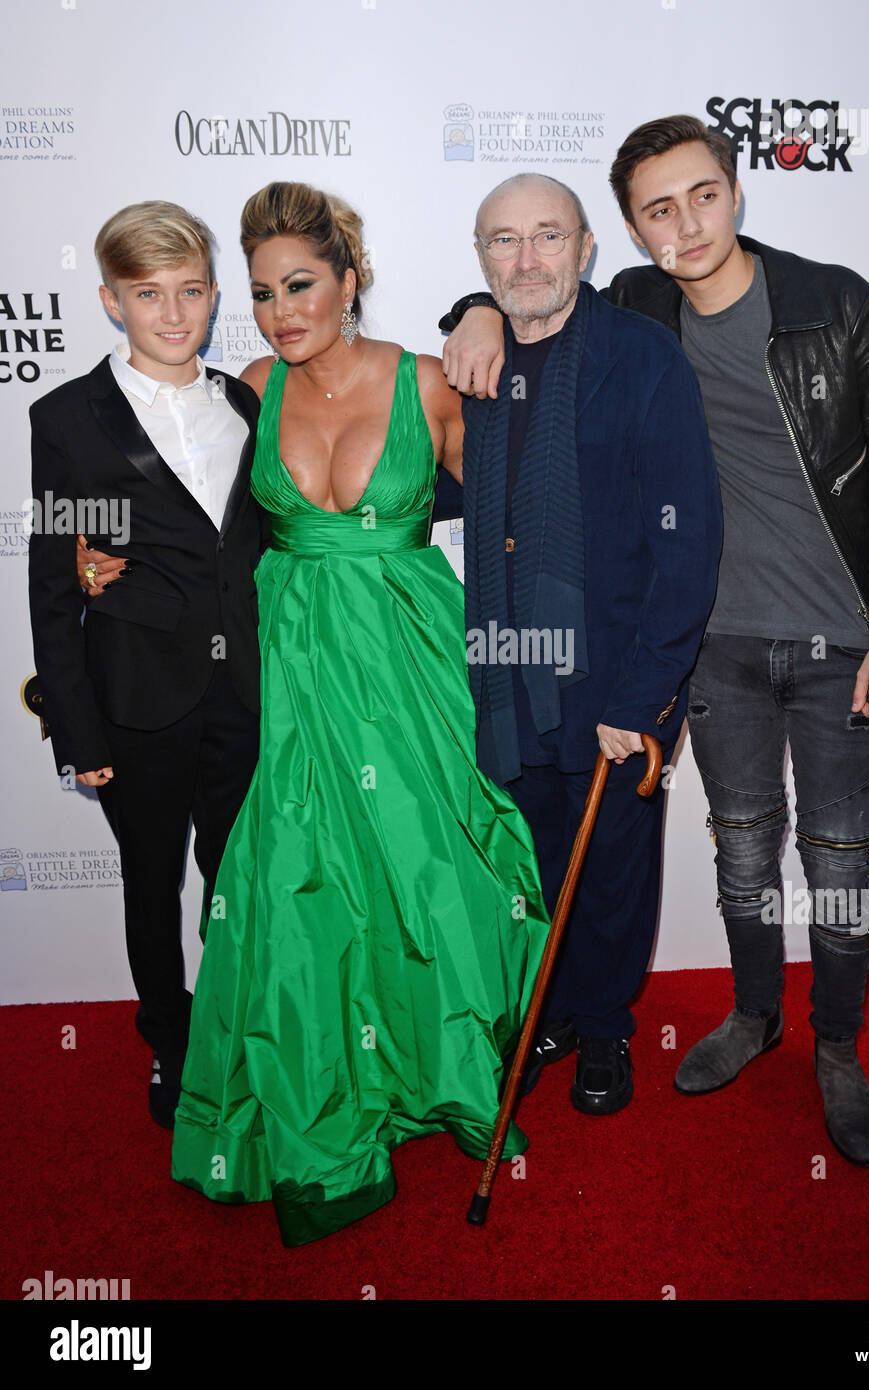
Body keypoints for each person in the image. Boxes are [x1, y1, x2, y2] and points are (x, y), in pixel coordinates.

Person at [441, 118, 869, 1166]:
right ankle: (754, 1016)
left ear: (735, 191)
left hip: (842, 636)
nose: (685, 224)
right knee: (744, 848)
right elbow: (520, 296)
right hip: (715, 644)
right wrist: (474, 309)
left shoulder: (830, 302)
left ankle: (835, 1047)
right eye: (657, 209)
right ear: (628, 229)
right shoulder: (639, 305)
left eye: (700, 196)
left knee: (836, 860)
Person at [157, 182, 549, 1246]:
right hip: (289, 668)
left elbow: (520, 519)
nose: (282, 311)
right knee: (297, 883)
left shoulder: (427, 383)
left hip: (411, 663)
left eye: (301, 285)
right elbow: (185, 519)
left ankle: (449, 1076)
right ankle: (323, 1102)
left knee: (430, 870)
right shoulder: (246, 387)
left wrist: (482, 304)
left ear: (347, 280)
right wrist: (104, 564)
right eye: (263, 292)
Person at [441, 173, 721, 1117]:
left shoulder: (643, 359)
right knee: (537, 860)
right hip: (509, 670)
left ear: (588, 248)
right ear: (482, 261)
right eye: (504, 243)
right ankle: (550, 1011)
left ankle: (604, 1030)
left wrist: (640, 700)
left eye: (547, 237)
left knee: (610, 867)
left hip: (613, 679)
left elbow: (690, 548)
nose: (527, 260)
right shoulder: (468, 371)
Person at [28, 201, 264, 1130]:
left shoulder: (246, 401)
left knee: (238, 877)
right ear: (110, 300)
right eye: (148, 294)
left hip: (244, 690)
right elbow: (55, 579)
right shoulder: (66, 417)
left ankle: (238, 1022)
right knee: (149, 880)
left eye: (192, 291)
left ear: (214, 295)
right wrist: (75, 726)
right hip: (135, 701)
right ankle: (170, 1040)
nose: (173, 314)